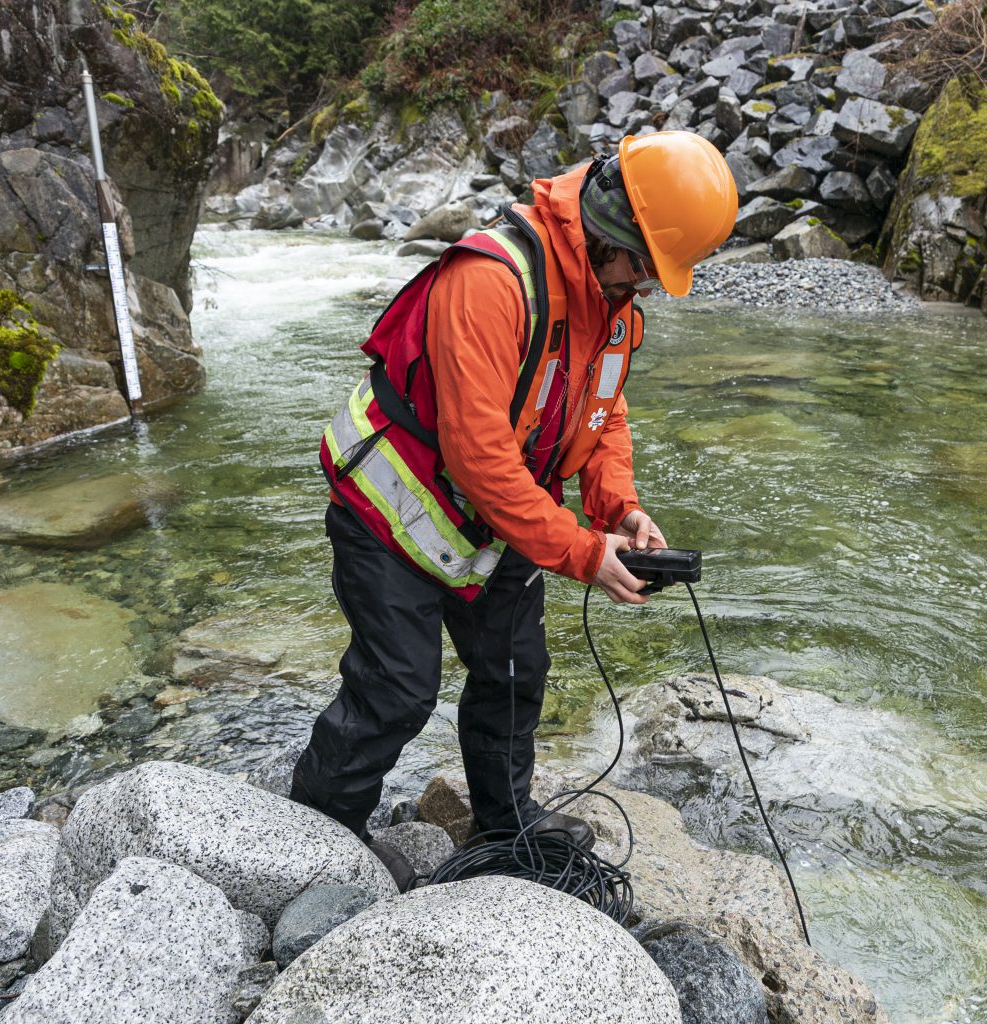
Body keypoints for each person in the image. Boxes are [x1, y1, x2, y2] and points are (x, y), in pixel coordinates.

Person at [289, 130, 739, 888]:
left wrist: (619, 509)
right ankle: (315, 836)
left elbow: (603, 413)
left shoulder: (613, 303)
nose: (654, 285)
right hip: (390, 507)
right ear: (612, 232)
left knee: (513, 668)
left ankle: (504, 817)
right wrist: (586, 554)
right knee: (397, 687)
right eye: (647, 267)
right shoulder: (491, 282)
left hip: (494, 523)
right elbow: (480, 459)